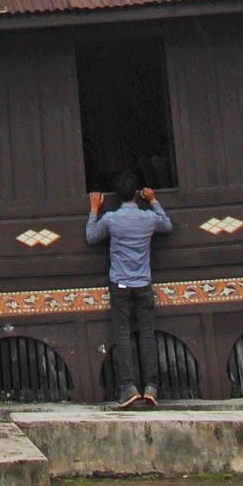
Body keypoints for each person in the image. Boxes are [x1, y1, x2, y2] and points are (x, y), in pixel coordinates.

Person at [86, 171, 173, 408]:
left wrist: (94, 209)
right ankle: (152, 387)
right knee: (147, 335)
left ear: (115, 195)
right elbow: (167, 225)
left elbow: (91, 237)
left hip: (121, 285)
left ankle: (128, 387)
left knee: (123, 335)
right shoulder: (148, 218)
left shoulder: (111, 219)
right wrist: (153, 200)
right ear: (137, 194)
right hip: (143, 284)